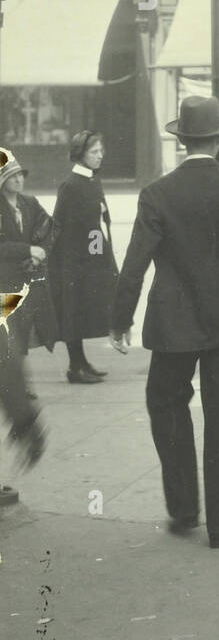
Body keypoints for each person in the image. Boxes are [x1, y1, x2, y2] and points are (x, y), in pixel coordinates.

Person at [108, 98, 219, 549]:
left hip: (175, 324)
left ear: (181, 141)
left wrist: (119, 319)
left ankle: (185, 507)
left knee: (166, 403)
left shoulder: (157, 194)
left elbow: (134, 265)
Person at [48, 131, 118, 384]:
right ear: (80, 155)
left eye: (101, 151)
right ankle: (75, 367)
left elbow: (95, 225)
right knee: (73, 312)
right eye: (94, 152)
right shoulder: (71, 185)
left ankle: (81, 362)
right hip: (72, 260)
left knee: (82, 310)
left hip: (89, 256)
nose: (100, 156)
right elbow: (60, 224)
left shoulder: (91, 181)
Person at [0, 149, 48, 504]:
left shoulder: (28, 204)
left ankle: (25, 424)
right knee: (8, 361)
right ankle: (26, 424)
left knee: (10, 359)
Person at [0, 151, 58, 371]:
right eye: (12, 176)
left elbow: (48, 229)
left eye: (21, 175)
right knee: (8, 333)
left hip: (28, 278)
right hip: (5, 280)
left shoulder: (30, 203)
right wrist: (28, 249)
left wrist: (41, 251)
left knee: (23, 333)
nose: (18, 180)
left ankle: (19, 384)